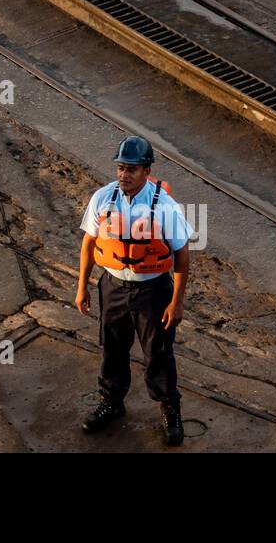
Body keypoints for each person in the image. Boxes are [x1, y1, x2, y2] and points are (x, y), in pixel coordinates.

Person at [75, 135, 192, 446]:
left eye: (131, 170)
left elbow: (182, 255)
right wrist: (82, 288)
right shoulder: (102, 198)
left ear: (146, 170)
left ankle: (169, 407)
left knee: (158, 352)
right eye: (120, 168)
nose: (124, 175)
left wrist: (176, 303)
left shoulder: (164, 206)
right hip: (112, 285)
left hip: (153, 291)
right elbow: (88, 245)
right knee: (112, 347)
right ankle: (112, 401)